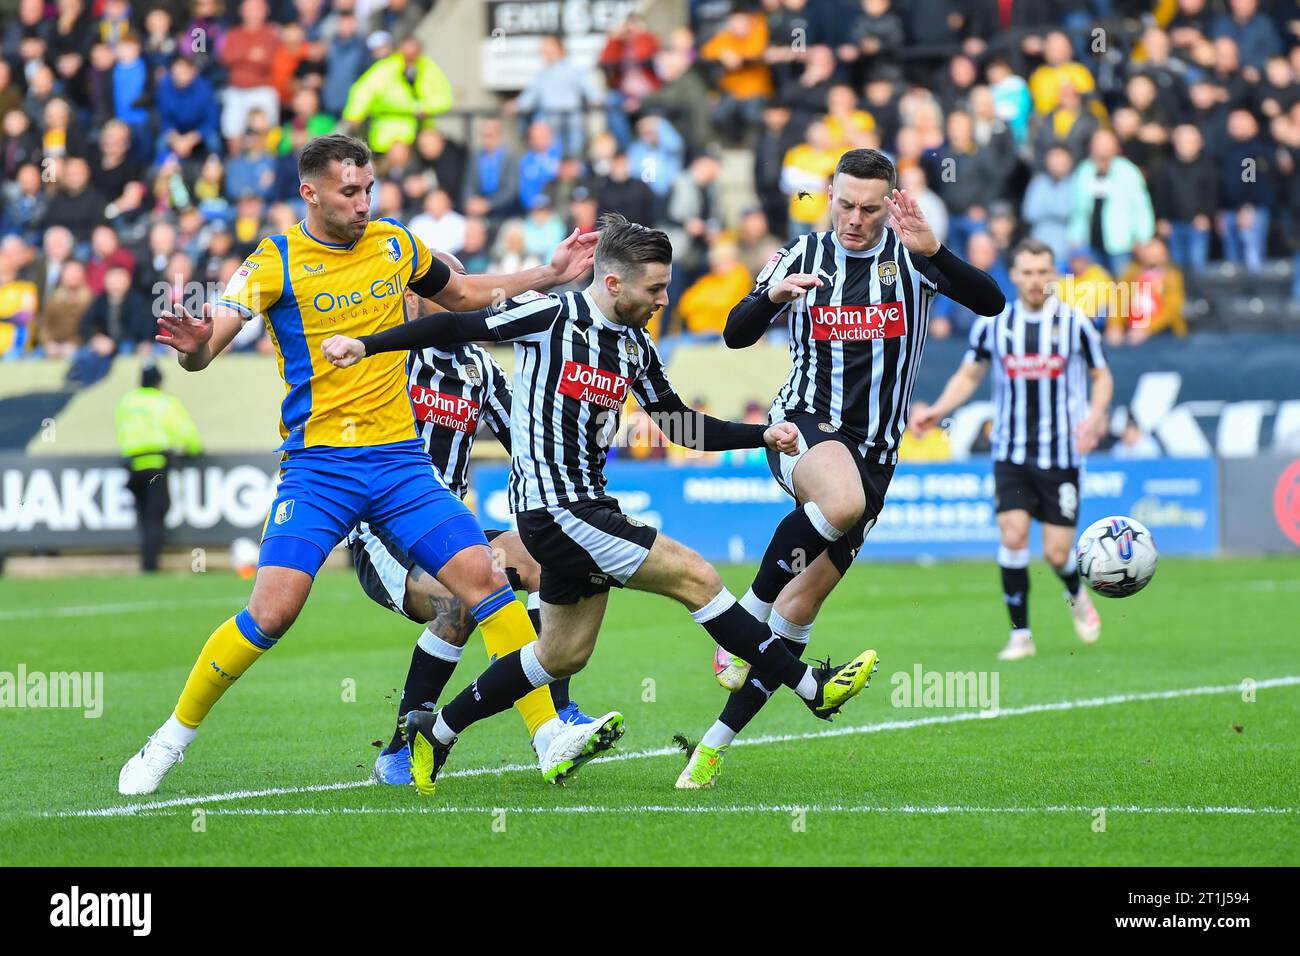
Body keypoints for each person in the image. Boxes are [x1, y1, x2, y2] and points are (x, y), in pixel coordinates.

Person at [321, 213, 881, 797]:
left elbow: (678, 423)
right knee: (697, 576)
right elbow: (452, 326)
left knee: (560, 655)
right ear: (613, 283)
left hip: (586, 507)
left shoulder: (635, 345)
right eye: (655, 289)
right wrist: (366, 344)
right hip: (556, 509)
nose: (665, 299)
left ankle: (433, 734)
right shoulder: (552, 314)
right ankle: (810, 687)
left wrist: (759, 434)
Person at [117, 134, 606, 796]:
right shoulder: (273, 261)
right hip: (320, 468)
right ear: (310, 193)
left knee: (486, 581)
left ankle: (548, 736)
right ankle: (170, 739)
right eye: (350, 191)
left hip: (402, 465)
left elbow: (461, 295)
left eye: (369, 187)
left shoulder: (396, 243)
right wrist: (195, 350)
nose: (364, 202)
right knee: (272, 613)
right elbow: (210, 343)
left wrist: (547, 275)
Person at [688, 148, 1006, 788]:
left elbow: (991, 302)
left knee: (798, 614)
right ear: (828, 195)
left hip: (877, 458)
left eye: (869, 208)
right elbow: (735, 332)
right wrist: (769, 296)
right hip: (803, 425)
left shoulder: (914, 260)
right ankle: (741, 618)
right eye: (845, 204)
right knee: (838, 503)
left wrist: (937, 254)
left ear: (889, 204)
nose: (855, 219)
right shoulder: (801, 256)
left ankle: (709, 751)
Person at [355, 260, 606, 786]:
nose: (450, 296)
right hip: (383, 530)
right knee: (459, 598)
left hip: (448, 523)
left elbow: (527, 440)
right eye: (435, 288)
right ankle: (401, 746)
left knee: (545, 558)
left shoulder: (480, 369)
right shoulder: (387, 360)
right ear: (412, 299)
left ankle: (557, 716)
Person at [911, 239, 1115, 661]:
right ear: (1015, 275)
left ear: (1053, 275)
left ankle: (1075, 591)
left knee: (1058, 553)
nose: (1035, 280)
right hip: (1011, 454)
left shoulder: (1075, 323)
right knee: (1014, 534)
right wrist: (937, 410)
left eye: (1043, 272)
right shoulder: (994, 323)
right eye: (1026, 272)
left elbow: (1102, 375)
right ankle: (1020, 634)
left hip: (1062, 456)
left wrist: (1096, 416)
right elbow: (969, 376)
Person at [115, 364, 203, 573]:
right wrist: (195, 448)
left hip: (133, 465)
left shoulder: (127, 401)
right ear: (158, 381)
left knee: (144, 515)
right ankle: (150, 565)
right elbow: (184, 430)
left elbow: (121, 428)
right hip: (155, 464)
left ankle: (145, 561)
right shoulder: (164, 402)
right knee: (157, 514)